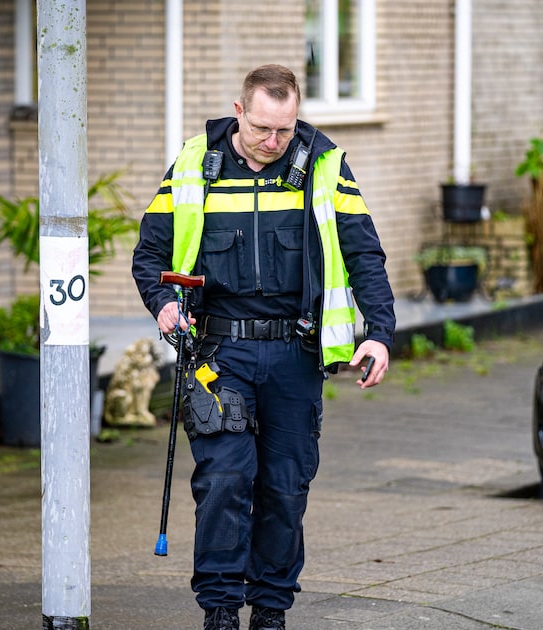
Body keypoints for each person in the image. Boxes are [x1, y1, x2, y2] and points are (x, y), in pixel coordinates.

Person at [132, 64, 395, 630]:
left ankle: (270, 610)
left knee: (283, 486)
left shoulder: (323, 165)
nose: (274, 142)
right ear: (239, 111)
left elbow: (364, 255)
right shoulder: (192, 167)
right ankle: (222, 609)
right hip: (218, 355)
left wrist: (378, 332)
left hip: (295, 356)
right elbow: (149, 258)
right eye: (262, 129)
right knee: (225, 479)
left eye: (285, 129)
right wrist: (165, 305)